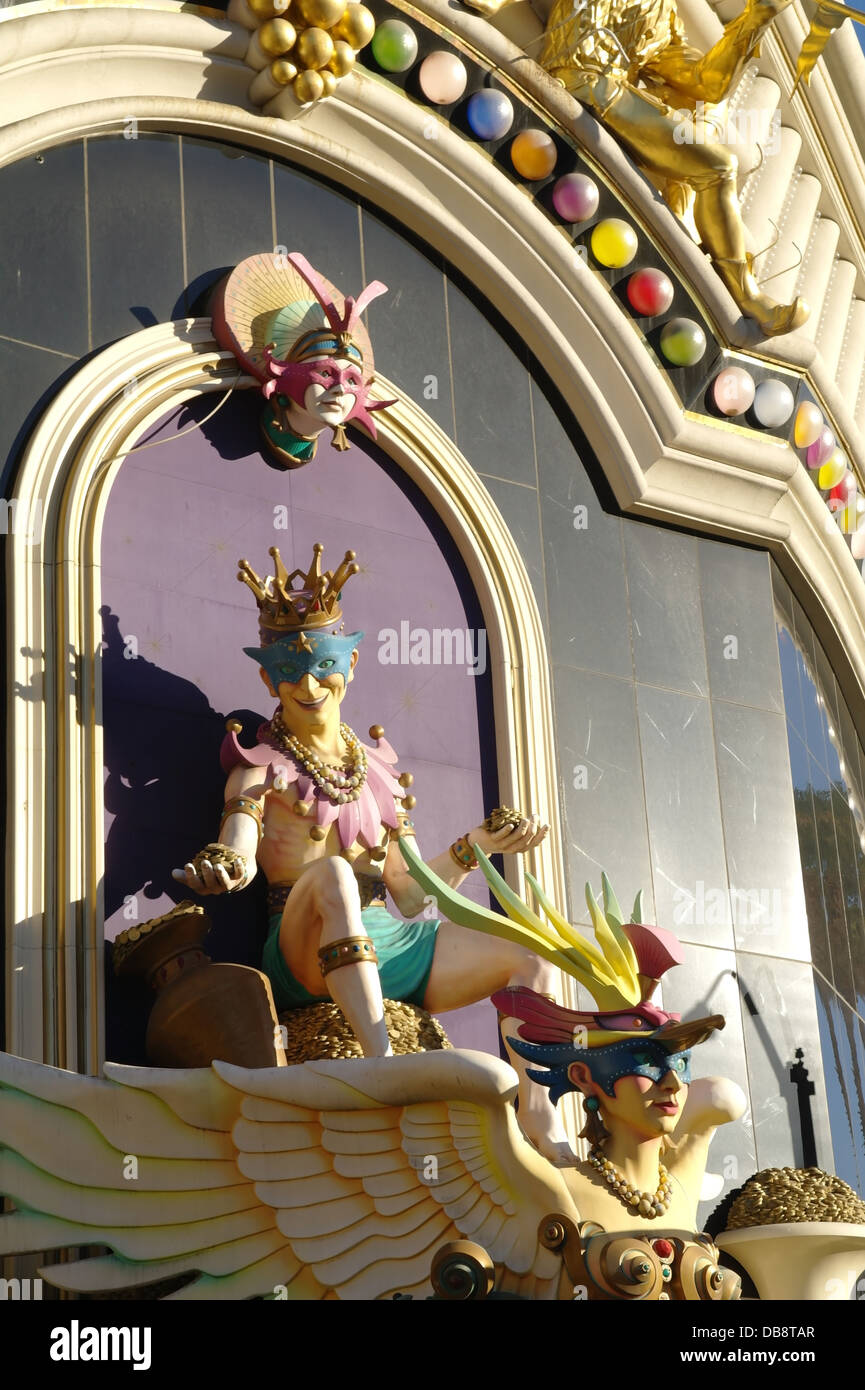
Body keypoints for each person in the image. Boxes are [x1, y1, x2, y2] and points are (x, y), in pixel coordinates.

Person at [172, 541, 575, 1163]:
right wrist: (222, 866)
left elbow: (411, 893)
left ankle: (541, 1117)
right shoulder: (259, 770)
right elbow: (242, 851)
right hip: (303, 945)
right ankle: (384, 1063)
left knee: (533, 961)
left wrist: (479, 848)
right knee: (332, 871)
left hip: (387, 940)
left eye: (323, 666)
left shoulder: (379, 773)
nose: (307, 685)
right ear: (267, 678)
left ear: (352, 664)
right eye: (288, 670)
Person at [467, 0, 808, 337]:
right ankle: (746, 294)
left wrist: (757, 17)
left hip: (610, 95)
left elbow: (706, 84)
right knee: (719, 167)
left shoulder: (663, 16)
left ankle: (742, 292)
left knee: (720, 166)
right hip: (578, 82)